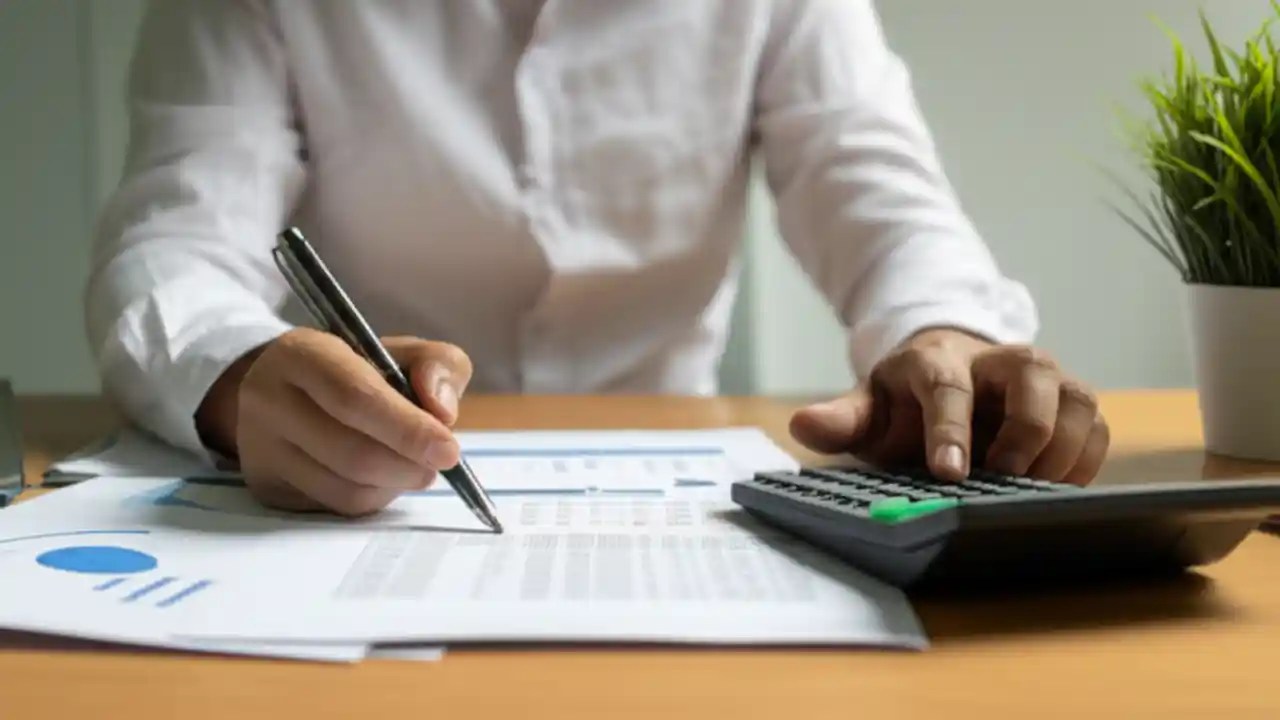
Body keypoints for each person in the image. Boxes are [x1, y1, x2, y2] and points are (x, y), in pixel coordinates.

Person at [86, 0, 1109, 517]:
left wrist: (942, 336)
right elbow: (174, 245)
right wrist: (237, 380)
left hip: (681, 491)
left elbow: (876, 189)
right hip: (348, 493)